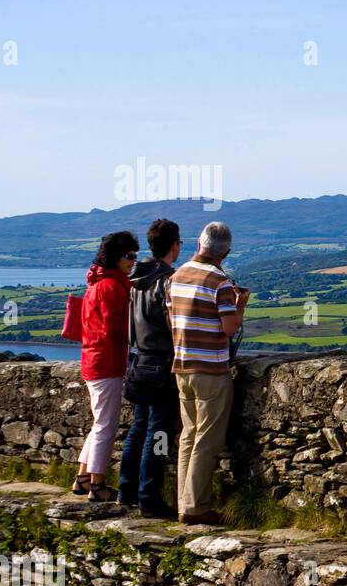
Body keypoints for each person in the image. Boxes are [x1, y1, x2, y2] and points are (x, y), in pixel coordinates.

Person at [168, 222, 249, 524]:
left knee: (188, 436)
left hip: (182, 365)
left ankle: (183, 503)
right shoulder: (220, 282)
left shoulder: (176, 276)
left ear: (198, 244)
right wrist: (240, 305)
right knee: (207, 439)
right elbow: (229, 328)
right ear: (225, 252)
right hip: (211, 370)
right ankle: (196, 507)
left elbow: (170, 318)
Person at [117, 219, 182, 518]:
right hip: (161, 362)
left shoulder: (135, 278)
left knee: (138, 428)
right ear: (174, 245)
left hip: (137, 360)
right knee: (158, 433)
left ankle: (125, 490)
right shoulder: (168, 280)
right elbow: (174, 325)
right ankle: (149, 497)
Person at [73, 231, 139, 501]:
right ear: (116, 257)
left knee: (99, 423)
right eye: (129, 257)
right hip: (106, 362)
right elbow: (115, 327)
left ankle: (83, 477)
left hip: (94, 360)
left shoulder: (97, 283)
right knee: (106, 426)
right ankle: (97, 485)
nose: (133, 262)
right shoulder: (110, 286)